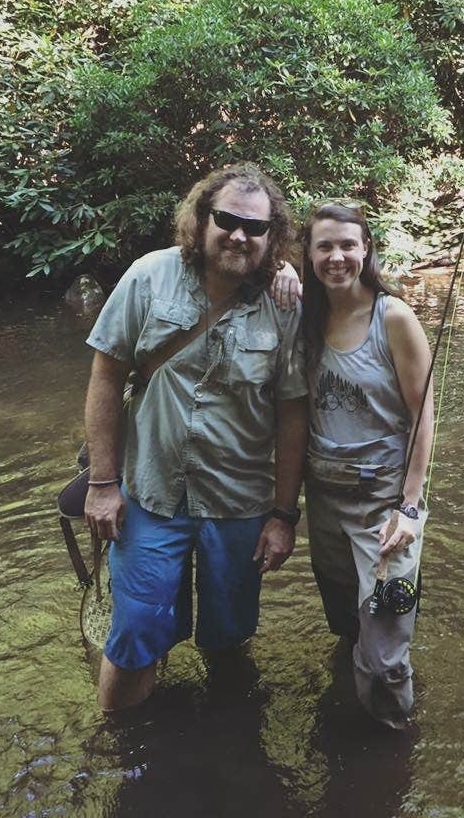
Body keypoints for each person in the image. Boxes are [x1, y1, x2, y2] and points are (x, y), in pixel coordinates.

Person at [83, 162, 308, 712]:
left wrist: (284, 516)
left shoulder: (284, 306)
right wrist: (103, 483)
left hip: (239, 505)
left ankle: (221, 752)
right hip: (150, 497)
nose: (238, 234)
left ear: (271, 237)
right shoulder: (148, 276)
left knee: (228, 640)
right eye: (227, 218)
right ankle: (115, 757)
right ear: (202, 218)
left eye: (255, 227)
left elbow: (291, 417)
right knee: (135, 634)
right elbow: (106, 377)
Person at [299, 201, 433, 728]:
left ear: (367, 249)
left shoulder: (394, 317)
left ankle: (391, 758)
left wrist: (411, 506)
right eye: (324, 246)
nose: (337, 257)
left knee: (383, 656)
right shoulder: (304, 316)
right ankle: (351, 729)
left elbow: (424, 416)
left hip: (385, 506)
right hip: (325, 501)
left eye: (347, 245)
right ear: (308, 255)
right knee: (349, 628)